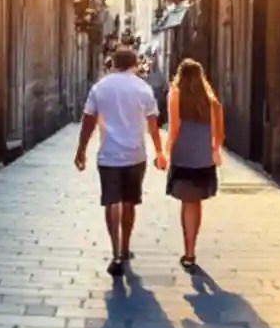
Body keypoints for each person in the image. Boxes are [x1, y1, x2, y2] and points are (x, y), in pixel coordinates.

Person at [75, 47, 168, 276]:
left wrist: (81, 150)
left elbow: (88, 120)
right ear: (134, 64)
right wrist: (159, 151)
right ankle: (126, 247)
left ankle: (115, 251)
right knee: (129, 202)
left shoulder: (100, 87)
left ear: (113, 63)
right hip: (135, 155)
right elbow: (153, 123)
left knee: (111, 202)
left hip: (109, 155)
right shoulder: (143, 88)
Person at [165, 58, 223, 271]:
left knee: (186, 202)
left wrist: (165, 151)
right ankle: (191, 251)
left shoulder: (175, 95)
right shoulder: (212, 102)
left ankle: (188, 252)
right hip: (203, 159)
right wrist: (213, 150)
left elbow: (174, 128)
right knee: (196, 203)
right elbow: (219, 135)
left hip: (183, 157)